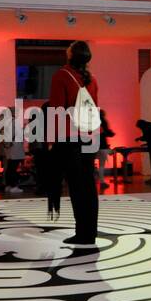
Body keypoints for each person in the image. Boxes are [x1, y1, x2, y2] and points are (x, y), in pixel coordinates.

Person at [47, 40, 100, 246]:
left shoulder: (61, 75)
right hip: (90, 137)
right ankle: (90, 232)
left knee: (77, 188)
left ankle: (82, 234)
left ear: (70, 55)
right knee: (89, 186)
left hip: (70, 139)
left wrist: (53, 141)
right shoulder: (92, 79)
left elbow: (57, 111)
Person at [94, 110, 115, 191]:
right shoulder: (103, 121)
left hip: (93, 146)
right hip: (102, 146)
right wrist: (111, 133)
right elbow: (107, 132)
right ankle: (102, 182)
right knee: (101, 165)